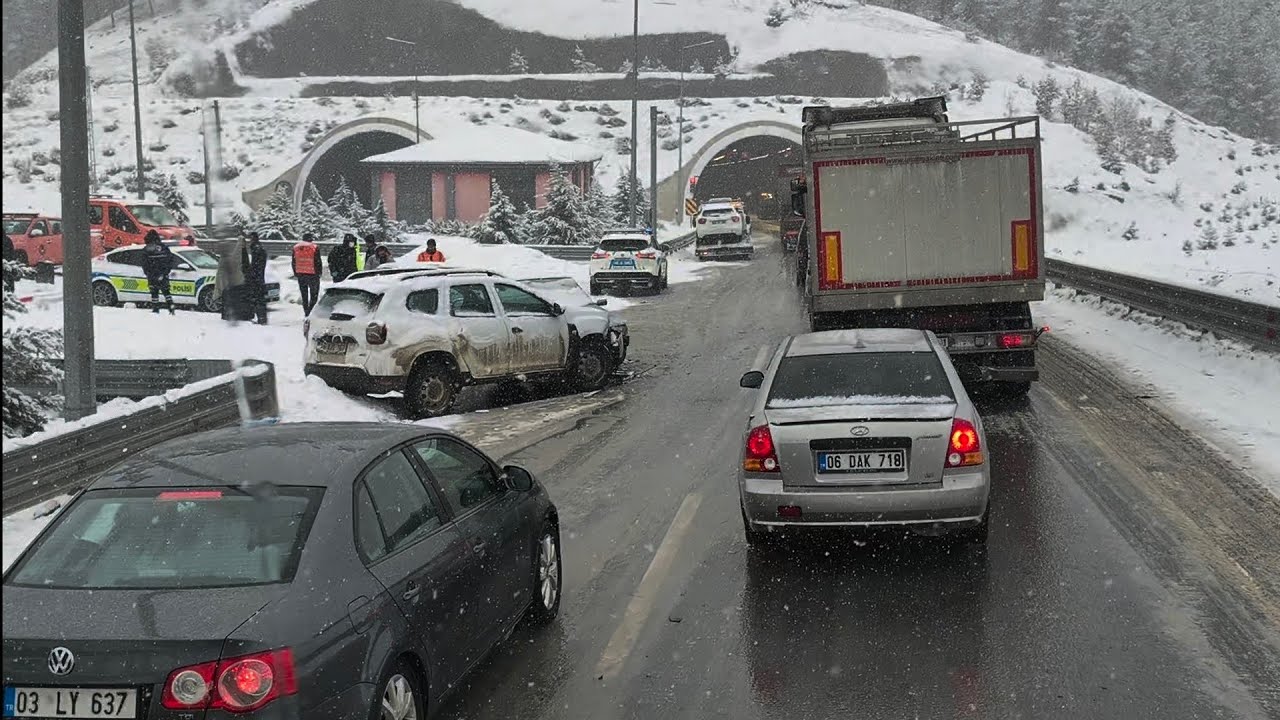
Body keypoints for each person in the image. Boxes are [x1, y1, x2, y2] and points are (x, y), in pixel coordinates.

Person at [141, 230, 178, 315]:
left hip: (152, 274)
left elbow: (144, 263)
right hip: (163, 273)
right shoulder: (164, 247)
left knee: (154, 292)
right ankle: (171, 306)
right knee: (166, 291)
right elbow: (171, 259)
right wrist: (165, 272)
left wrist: (148, 272)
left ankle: (155, 308)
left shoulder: (147, 249)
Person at [292, 232, 323, 316]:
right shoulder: (314, 247)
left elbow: (294, 262)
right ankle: (311, 311)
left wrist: (296, 272)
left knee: (304, 295)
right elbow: (318, 261)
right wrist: (319, 273)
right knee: (314, 294)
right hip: (312, 274)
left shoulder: (296, 247)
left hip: (301, 274)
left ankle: (306, 311)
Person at [215, 238, 246, 323]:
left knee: (227, 300)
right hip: (229, 283)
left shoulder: (225, 257)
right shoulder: (229, 258)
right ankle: (228, 315)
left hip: (227, 283)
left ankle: (227, 315)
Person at [243, 231, 269, 325]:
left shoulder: (256, 249)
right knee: (260, 299)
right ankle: (262, 318)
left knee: (258, 299)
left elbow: (256, 265)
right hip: (260, 278)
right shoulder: (260, 248)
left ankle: (261, 319)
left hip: (257, 279)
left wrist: (251, 274)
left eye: (250, 239)